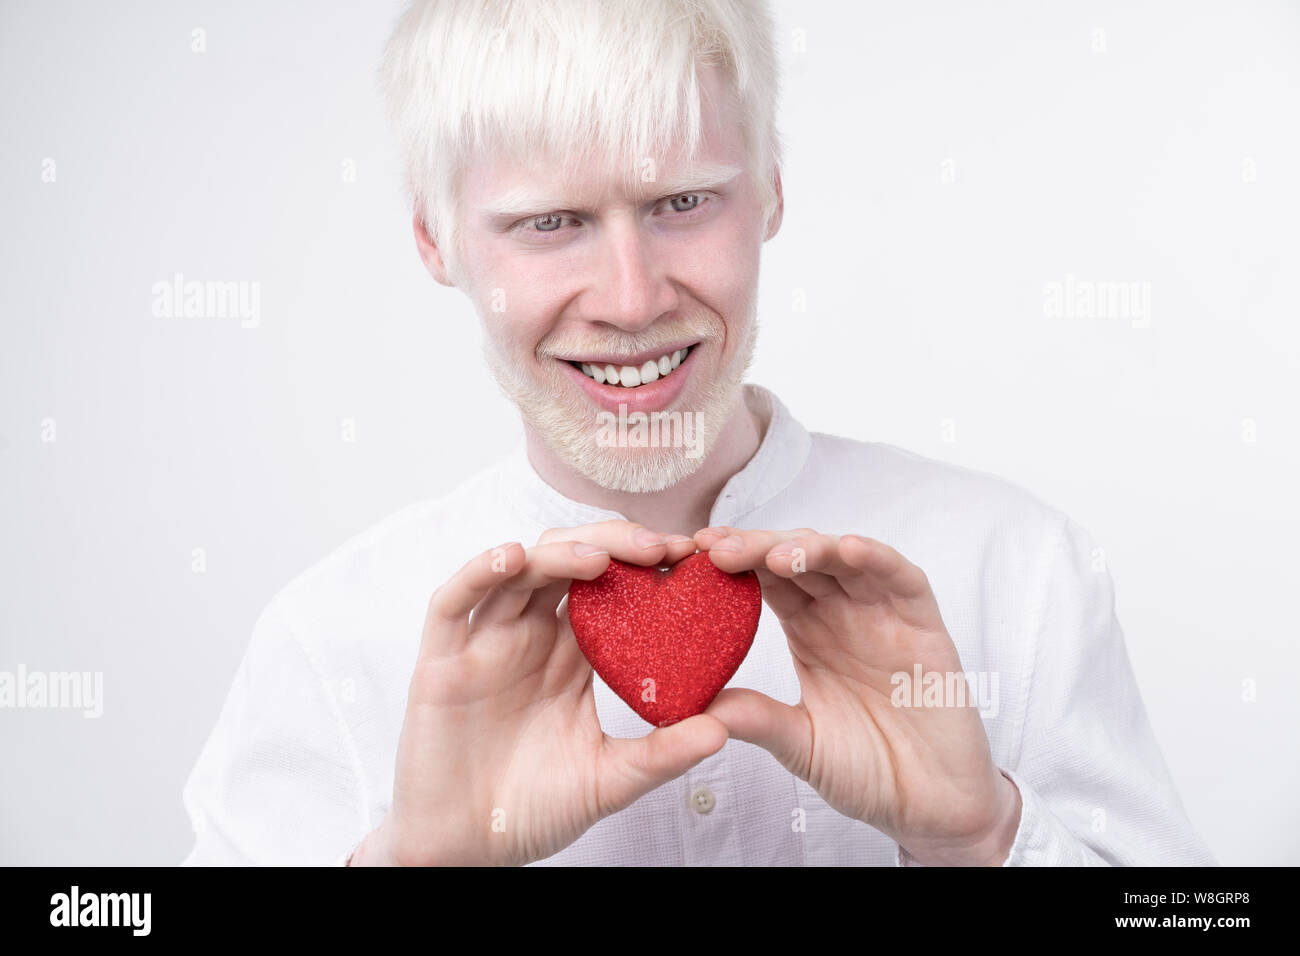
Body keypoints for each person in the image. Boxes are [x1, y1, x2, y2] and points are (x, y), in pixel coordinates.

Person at [180, 0, 1214, 867]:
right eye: (551, 223)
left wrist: (987, 833)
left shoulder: (1014, 569)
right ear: (432, 238)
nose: (631, 300)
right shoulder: (330, 643)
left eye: (682, 201)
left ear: (768, 189)